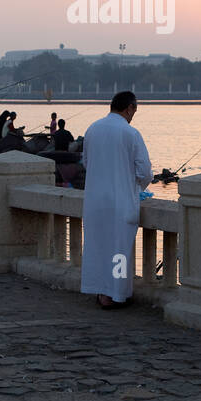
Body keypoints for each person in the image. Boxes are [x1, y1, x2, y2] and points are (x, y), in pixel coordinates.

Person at [80, 91, 152, 309]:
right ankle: (115, 295)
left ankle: (101, 291)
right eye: (133, 112)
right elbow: (145, 171)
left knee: (98, 248)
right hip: (120, 202)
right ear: (129, 108)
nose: (133, 116)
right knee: (118, 251)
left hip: (94, 201)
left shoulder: (92, 129)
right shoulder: (130, 133)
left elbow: (86, 162)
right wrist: (136, 186)